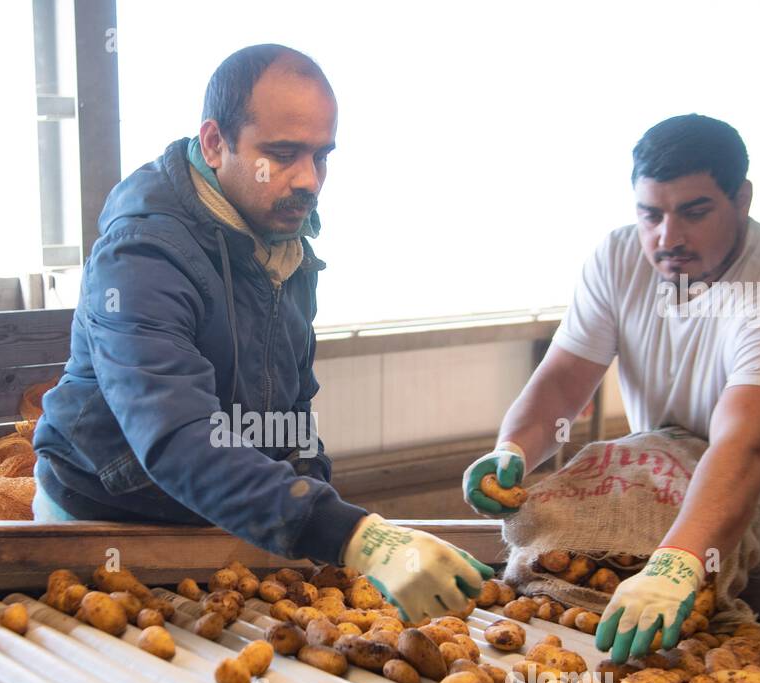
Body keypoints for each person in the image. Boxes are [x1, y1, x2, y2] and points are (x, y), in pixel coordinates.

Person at [33, 44, 490, 622]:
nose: (309, 180)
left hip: (224, 521)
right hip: (107, 524)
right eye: (281, 154)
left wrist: (320, 515)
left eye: (322, 156)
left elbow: (291, 409)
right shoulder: (142, 255)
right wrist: (350, 534)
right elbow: (178, 435)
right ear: (215, 142)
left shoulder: (285, 248)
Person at [464, 114, 760, 662]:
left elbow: (745, 448)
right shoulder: (620, 259)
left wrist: (679, 562)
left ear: (741, 200)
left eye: (695, 212)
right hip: (678, 480)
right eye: (651, 214)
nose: (669, 239)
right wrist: (514, 449)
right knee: (676, 651)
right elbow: (564, 381)